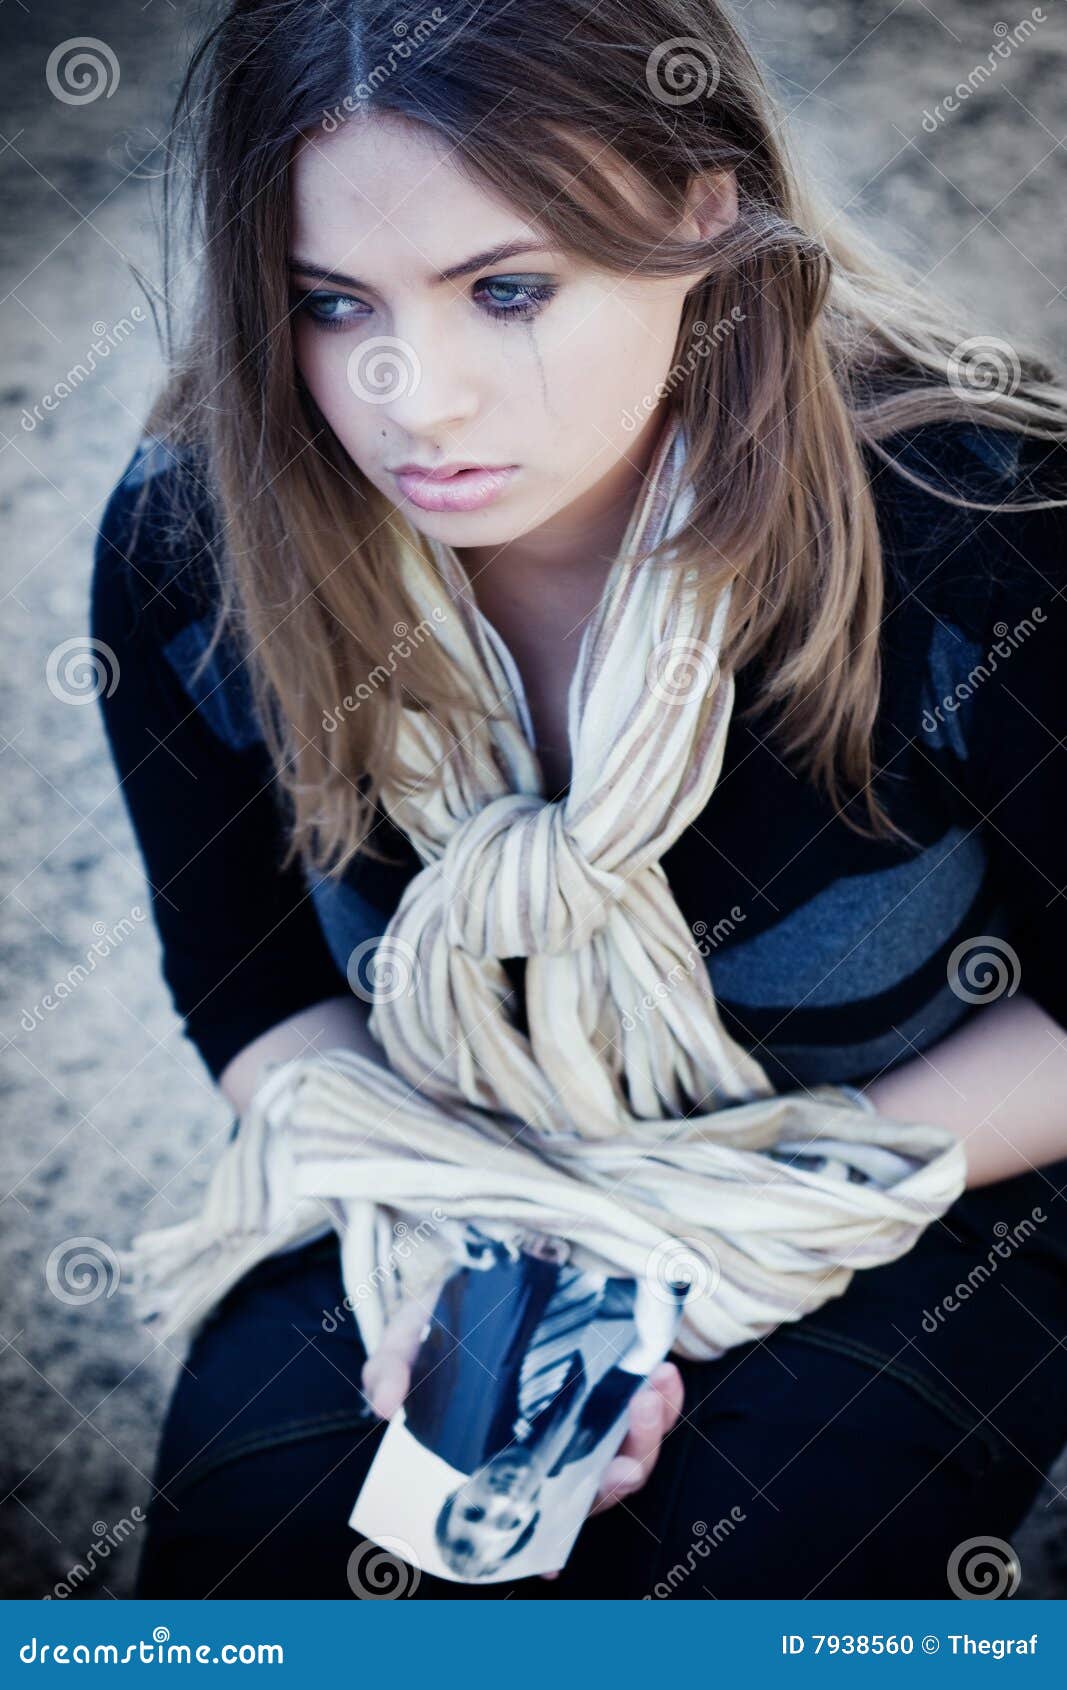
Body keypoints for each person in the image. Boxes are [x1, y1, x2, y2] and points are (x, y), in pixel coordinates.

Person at [89, 0, 1067, 1600]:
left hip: (930, 1170)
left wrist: (679, 1245)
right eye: (331, 305)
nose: (420, 399)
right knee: (251, 1566)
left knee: (747, 1580)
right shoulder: (197, 540)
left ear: (700, 216)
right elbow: (250, 990)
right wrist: (475, 1257)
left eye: (510, 290)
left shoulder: (979, 522)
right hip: (444, 1163)